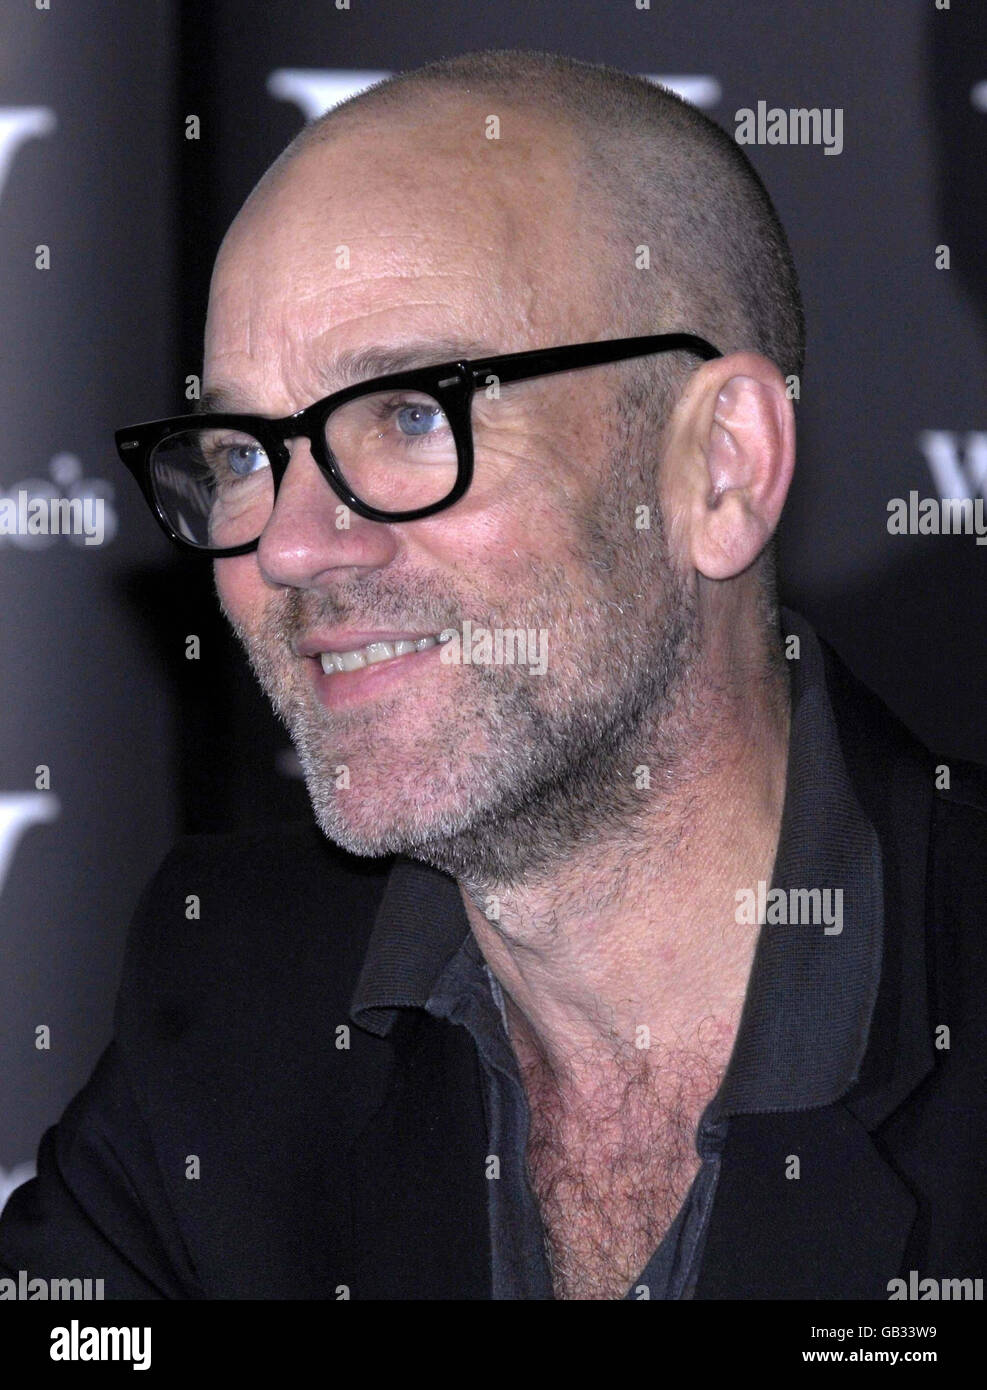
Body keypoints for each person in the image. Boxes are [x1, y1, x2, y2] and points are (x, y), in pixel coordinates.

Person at [1, 49, 984, 1302]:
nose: (292, 545)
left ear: (720, 471)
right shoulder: (235, 986)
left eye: (412, 414)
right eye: (243, 453)